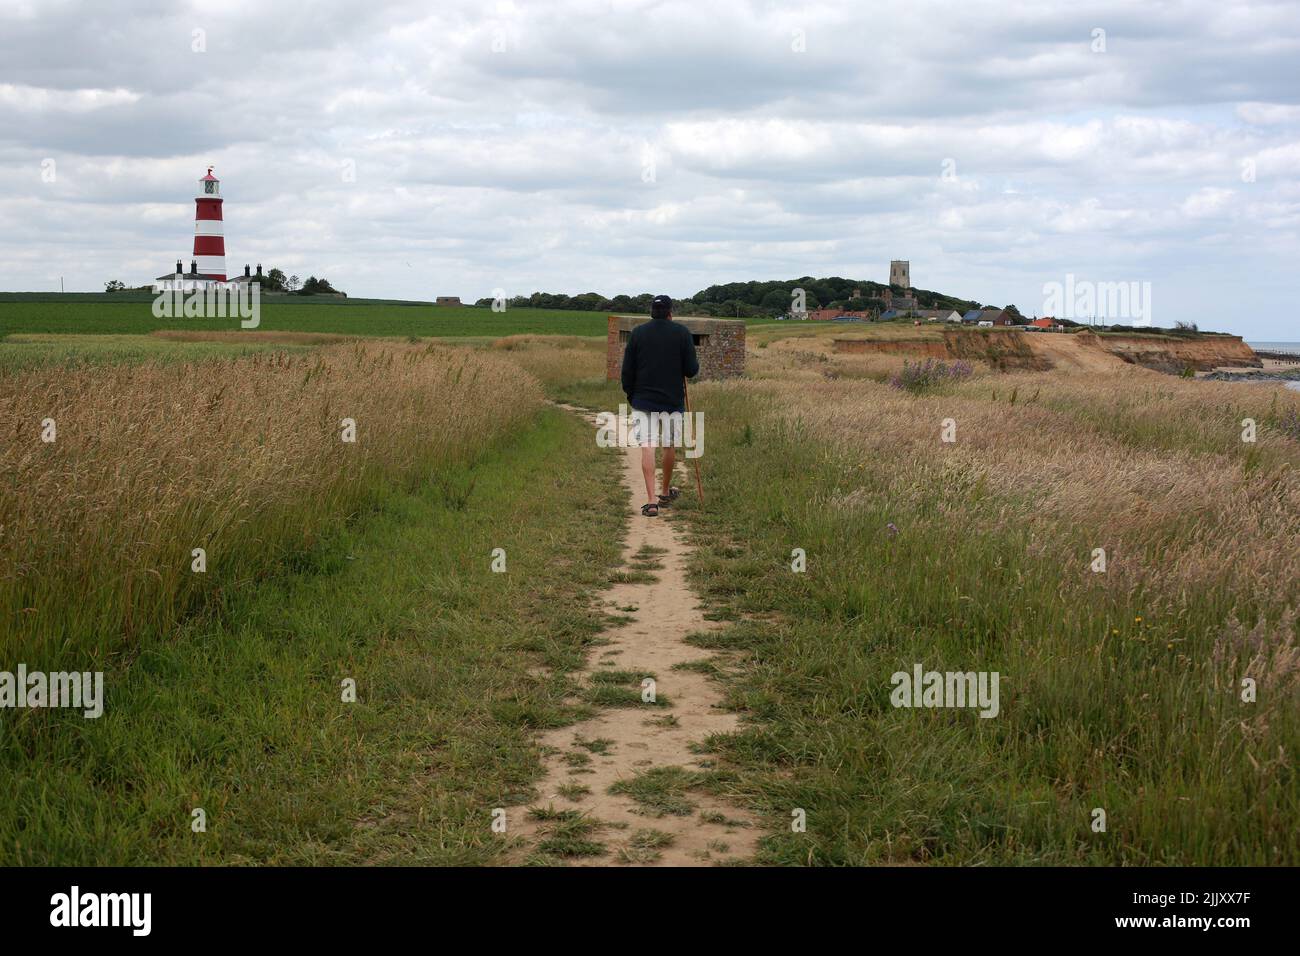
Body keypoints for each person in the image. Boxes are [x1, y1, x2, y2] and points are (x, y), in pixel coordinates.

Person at [620, 294, 699, 516]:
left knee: (647, 445)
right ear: (670, 312)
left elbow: (627, 371)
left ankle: (652, 501)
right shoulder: (682, 333)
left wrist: (630, 395)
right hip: (672, 400)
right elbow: (691, 370)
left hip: (643, 400)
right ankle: (665, 492)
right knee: (669, 445)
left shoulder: (638, 333)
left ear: (651, 313)